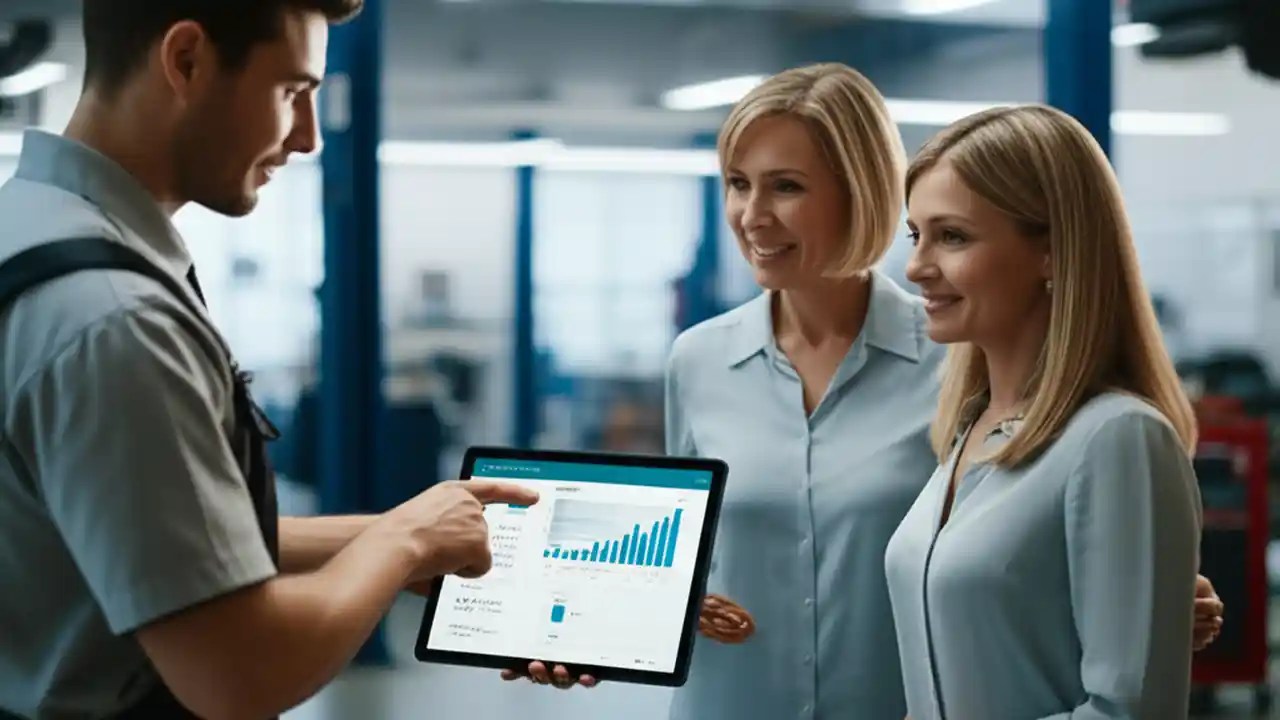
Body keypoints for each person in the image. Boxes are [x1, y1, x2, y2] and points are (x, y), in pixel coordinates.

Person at [506, 64, 1224, 717]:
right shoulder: (698, 362)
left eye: (786, 185)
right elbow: (683, 564)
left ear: (860, 191)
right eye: (737, 182)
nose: (753, 214)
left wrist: (1140, 604)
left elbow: (1040, 565)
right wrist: (582, 624)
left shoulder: (963, 358)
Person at [0, 2, 536, 719]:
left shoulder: (26, 229)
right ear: (185, 60)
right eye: (292, 91)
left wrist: (401, 534)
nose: (309, 137)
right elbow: (240, 673)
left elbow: (163, 541)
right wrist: (404, 545)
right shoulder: (118, 320)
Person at [885, 104, 1202, 719]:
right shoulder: (967, 432)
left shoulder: (1117, 439)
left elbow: (1127, 711)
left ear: (1053, 251)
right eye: (916, 235)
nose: (917, 267)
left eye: (952, 236)